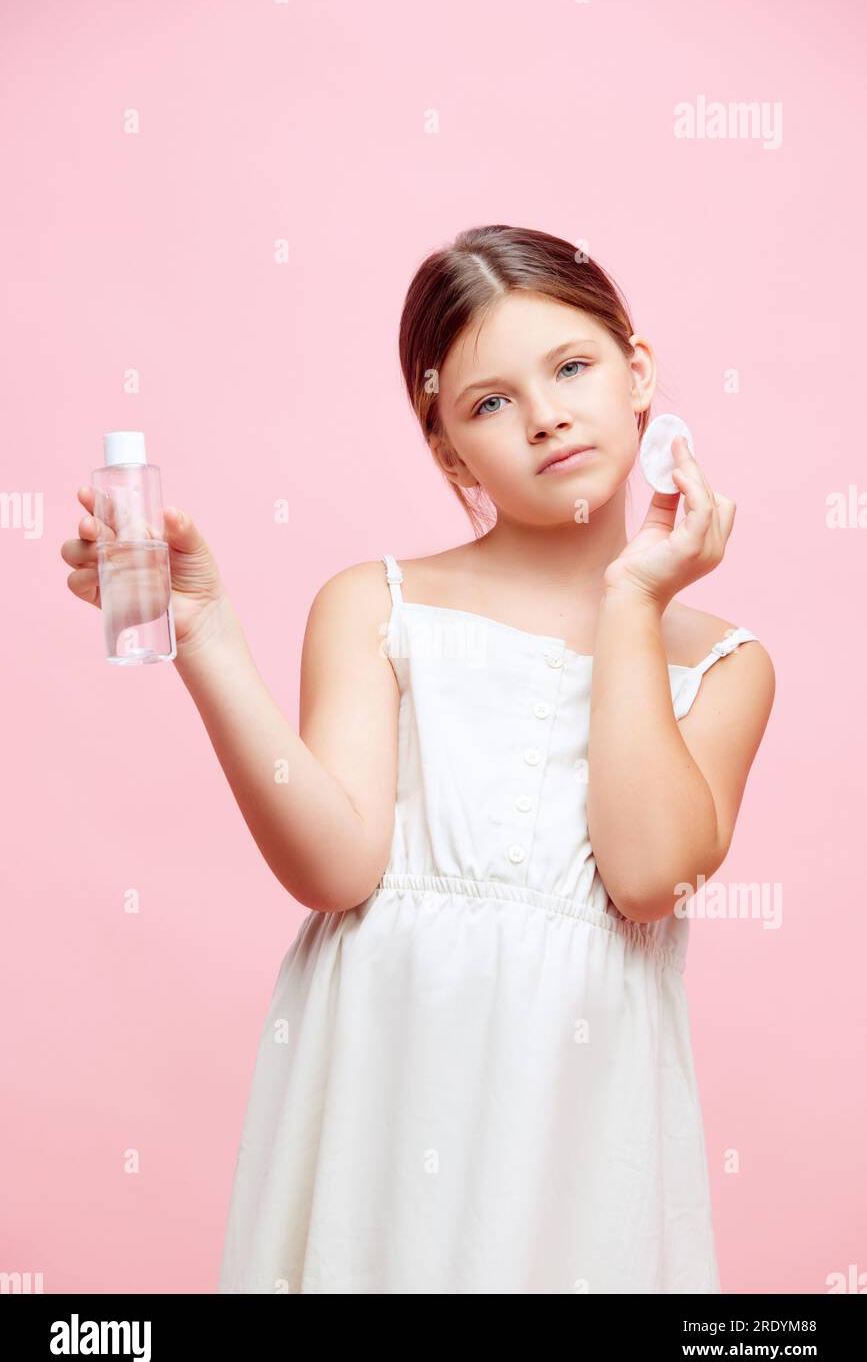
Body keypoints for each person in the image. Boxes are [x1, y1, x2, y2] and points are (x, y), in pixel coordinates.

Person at [61, 224, 775, 1294]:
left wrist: (635, 597)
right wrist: (202, 635)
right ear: (448, 451)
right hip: (388, 1087)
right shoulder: (377, 604)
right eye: (488, 403)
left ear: (639, 374)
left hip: (575, 1112)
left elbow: (642, 877)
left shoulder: (723, 664)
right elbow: (335, 869)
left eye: (572, 368)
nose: (544, 415)